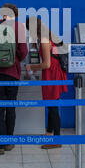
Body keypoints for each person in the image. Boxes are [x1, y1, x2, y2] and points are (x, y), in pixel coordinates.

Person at [0, 3, 28, 155]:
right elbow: (23, 51)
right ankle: (9, 142)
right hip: (12, 73)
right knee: (11, 107)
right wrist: (15, 59)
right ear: (15, 14)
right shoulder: (19, 27)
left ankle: (0, 144)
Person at [25, 17, 67, 149]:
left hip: (52, 74)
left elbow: (47, 64)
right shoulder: (48, 35)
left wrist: (32, 67)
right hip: (55, 72)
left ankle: (57, 140)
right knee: (51, 104)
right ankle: (49, 133)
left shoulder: (43, 40)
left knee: (53, 107)